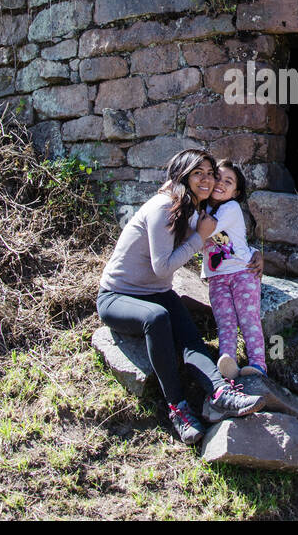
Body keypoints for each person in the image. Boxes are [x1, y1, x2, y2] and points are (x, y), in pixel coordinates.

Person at [97, 149, 266, 444]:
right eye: (197, 173)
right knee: (157, 318)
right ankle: (178, 408)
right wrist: (199, 237)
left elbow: (226, 245)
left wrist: (254, 253)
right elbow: (161, 265)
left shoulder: (193, 212)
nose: (207, 179)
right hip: (117, 296)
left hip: (158, 292)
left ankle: (221, 393)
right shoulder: (163, 207)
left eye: (211, 173)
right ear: (182, 175)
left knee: (191, 338)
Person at [202, 159, 268, 379]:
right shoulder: (204, 207)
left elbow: (206, 230)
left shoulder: (229, 208)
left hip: (243, 272)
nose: (220, 184)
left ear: (235, 192)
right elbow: (225, 243)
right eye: (218, 177)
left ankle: (258, 365)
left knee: (249, 319)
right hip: (217, 277)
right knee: (225, 320)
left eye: (228, 182)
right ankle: (227, 359)